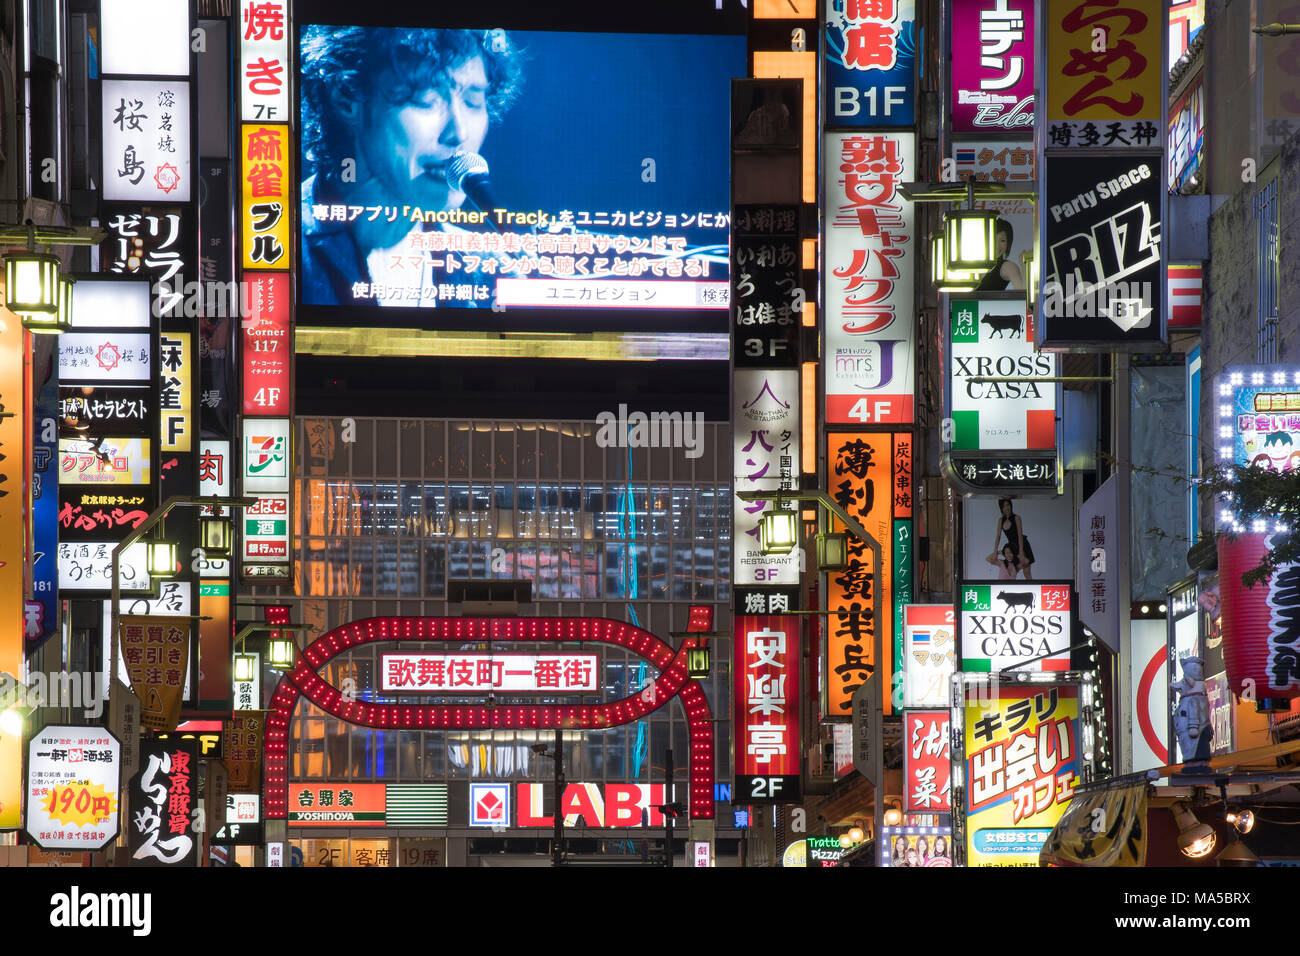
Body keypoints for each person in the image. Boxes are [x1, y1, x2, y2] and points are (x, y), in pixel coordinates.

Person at [299, 26, 524, 307]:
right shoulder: (275, 238)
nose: (459, 132)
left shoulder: (489, 271)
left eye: (473, 102)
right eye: (426, 100)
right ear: (346, 99)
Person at [975, 217, 1024, 291]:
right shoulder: (972, 265)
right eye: (993, 239)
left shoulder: (1007, 266)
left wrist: (1025, 266)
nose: (997, 245)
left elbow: (1023, 294)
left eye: (1002, 240)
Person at [990, 497, 1034, 580]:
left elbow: (1020, 535)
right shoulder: (1001, 520)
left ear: (1011, 505)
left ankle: (1032, 589)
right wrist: (995, 550)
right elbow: (998, 535)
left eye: (1008, 505)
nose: (1006, 507)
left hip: (1022, 545)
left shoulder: (1016, 517)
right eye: (1004, 506)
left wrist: (1021, 552)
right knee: (1012, 568)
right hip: (1012, 546)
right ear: (1001, 508)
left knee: (1027, 572)